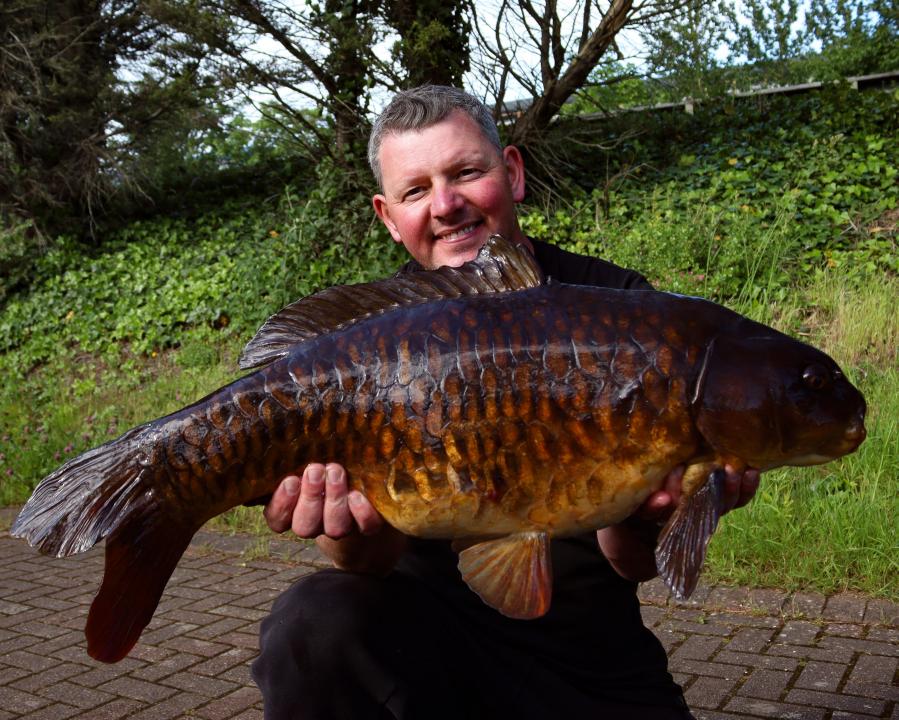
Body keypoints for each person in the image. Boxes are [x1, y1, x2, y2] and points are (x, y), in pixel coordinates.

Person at [250, 85, 760, 719]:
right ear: (388, 216)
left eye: (466, 172)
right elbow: (369, 561)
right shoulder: (367, 343)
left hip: (586, 654)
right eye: (416, 191)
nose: (445, 204)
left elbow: (633, 565)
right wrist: (342, 527)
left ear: (511, 173)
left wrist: (648, 511)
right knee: (312, 623)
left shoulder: (620, 306)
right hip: (425, 647)